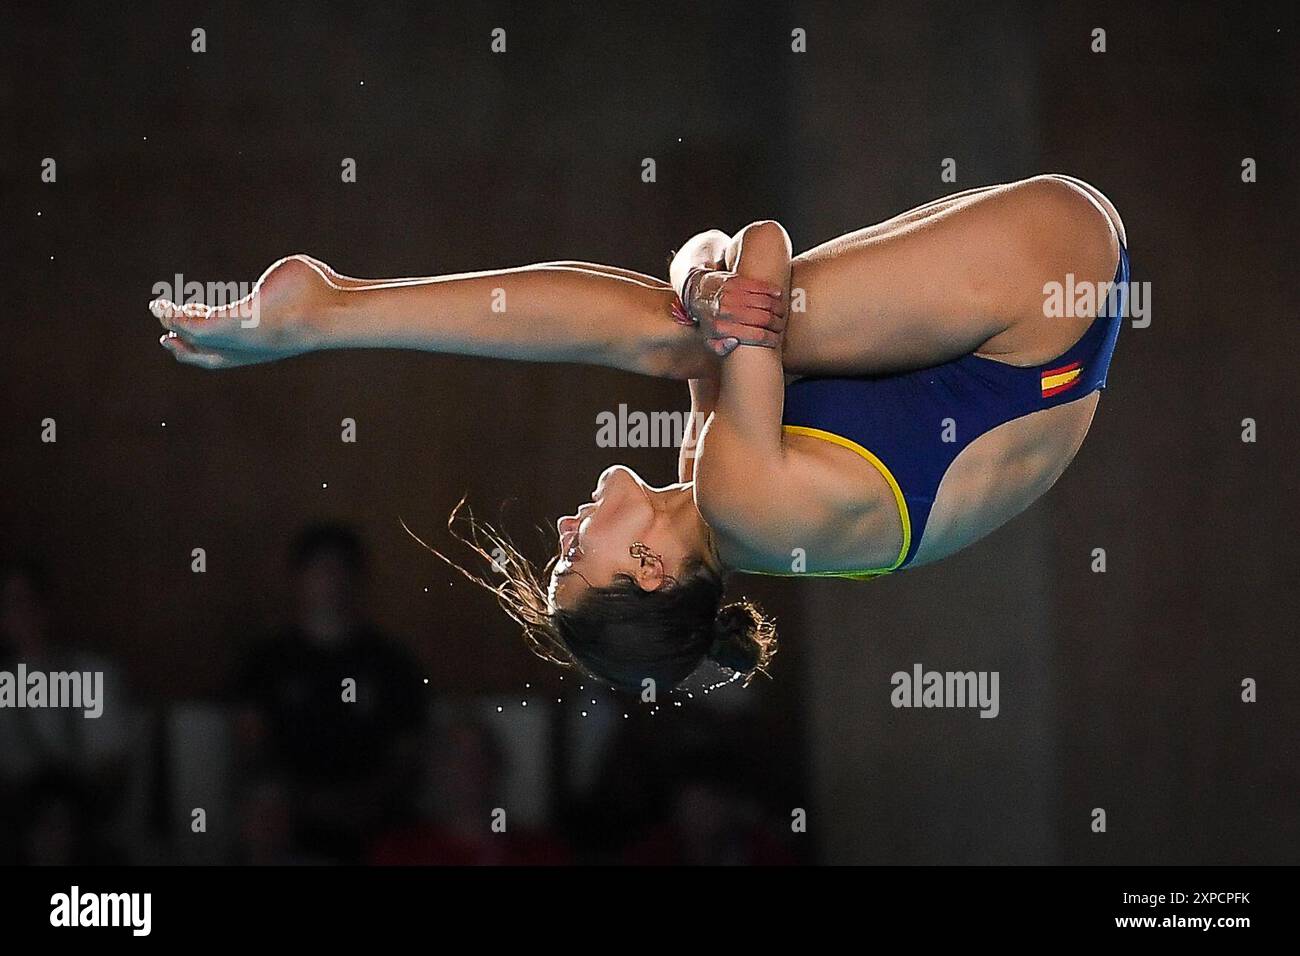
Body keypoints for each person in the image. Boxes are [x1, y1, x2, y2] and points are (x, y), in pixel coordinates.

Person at [155, 175, 1128, 694]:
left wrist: (706, 287)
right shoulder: (741, 494)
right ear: (653, 571)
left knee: (689, 334)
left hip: (1057, 314)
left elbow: (703, 278)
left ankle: (331, 310)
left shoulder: (728, 506)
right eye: (577, 554)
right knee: (711, 327)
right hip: (1046, 289)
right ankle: (326, 312)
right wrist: (712, 287)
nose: (568, 525)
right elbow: (758, 250)